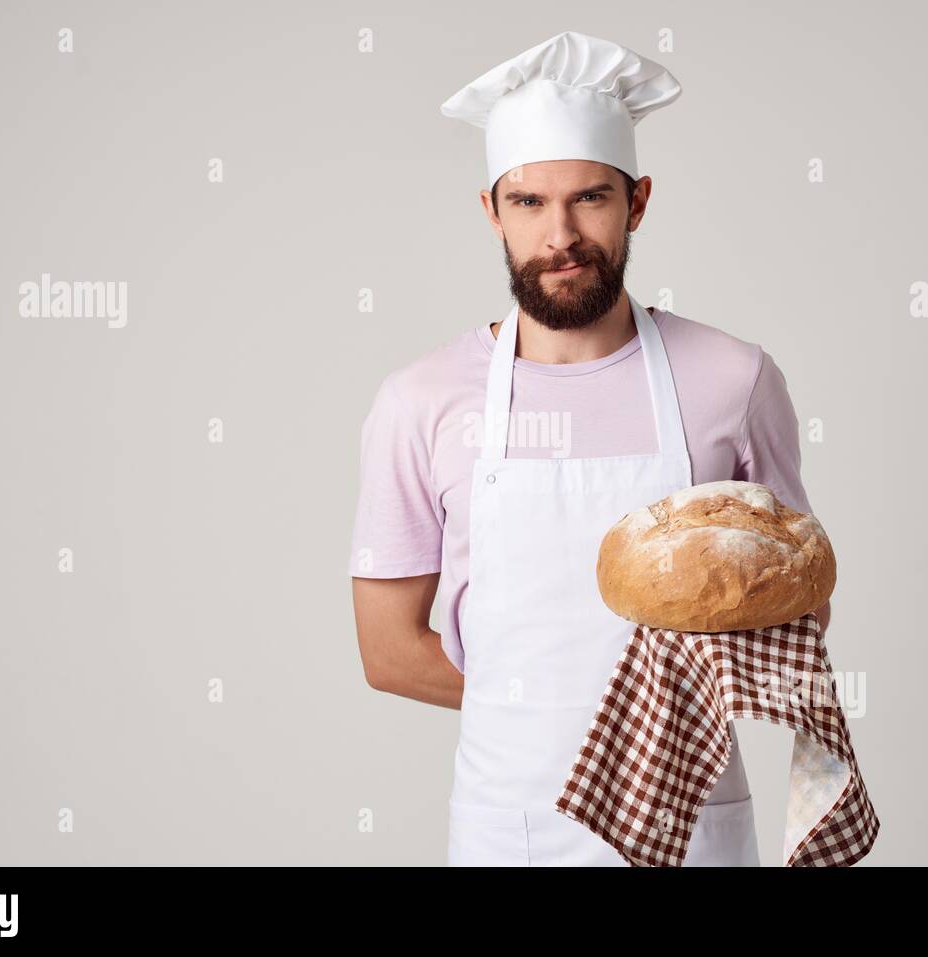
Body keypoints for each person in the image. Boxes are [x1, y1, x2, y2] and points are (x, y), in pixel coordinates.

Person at [348, 31, 829, 866]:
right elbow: (388, 651)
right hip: (512, 831)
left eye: (590, 198)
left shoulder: (733, 378)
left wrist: (676, 707)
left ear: (637, 202)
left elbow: (801, 605)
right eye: (529, 202)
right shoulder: (421, 401)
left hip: (694, 830)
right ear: (492, 211)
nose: (560, 234)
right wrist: (559, 707)